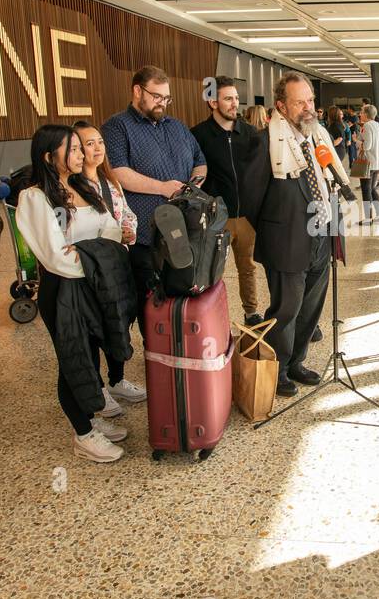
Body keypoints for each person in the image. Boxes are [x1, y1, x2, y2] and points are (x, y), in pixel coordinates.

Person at [17, 125, 134, 464]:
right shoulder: (35, 197)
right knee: (73, 357)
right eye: (72, 149)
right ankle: (83, 433)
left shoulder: (84, 186)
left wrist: (88, 250)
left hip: (95, 284)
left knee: (93, 353)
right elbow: (57, 257)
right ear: (48, 156)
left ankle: (91, 416)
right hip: (63, 290)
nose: (81, 154)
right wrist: (98, 254)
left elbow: (110, 230)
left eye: (80, 148)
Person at [242, 72, 342, 398]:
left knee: (311, 308)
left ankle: (297, 361)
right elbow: (251, 200)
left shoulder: (317, 138)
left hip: (321, 235)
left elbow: (329, 183)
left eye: (310, 100)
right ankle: (279, 369)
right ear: (281, 106)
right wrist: (278, 228)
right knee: (286, 310)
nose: (308, 107)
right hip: (286, 241)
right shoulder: (264, 142)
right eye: (300, 102)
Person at [101, 65, 207, 327]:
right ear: (138, 91)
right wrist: (162, 187)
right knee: (150, 305)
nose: (163, 103)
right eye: (157, 96)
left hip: (183, 232)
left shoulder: (177, 127)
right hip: (146, 237)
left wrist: (191, 188)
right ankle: (154, 349)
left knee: (181, 299)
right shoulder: (117, 127)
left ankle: (177, 347)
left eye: (167, 98)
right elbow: (118, 172)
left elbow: (200, 161)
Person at [74, 120, 147, 414]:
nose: (97, 148)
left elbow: (126, 213)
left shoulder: (110, 181)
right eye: (89, 144)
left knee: (118, 320)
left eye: (100, 142)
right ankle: (99, 390)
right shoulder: (72, 187)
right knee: (94, 328)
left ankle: (117, 380)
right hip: (93, 267)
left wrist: (129, 230)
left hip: (118, 262)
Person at [190, 76, 265, 326]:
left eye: (236, 98)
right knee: (211, 270)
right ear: (213, 102)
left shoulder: (250, 133)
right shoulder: (198, 135)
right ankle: (211, 318)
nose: (235, 104)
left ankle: (251, 313)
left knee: (248, 267)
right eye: (228, 99)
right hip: (216, 218)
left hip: (247, 217)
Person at [358, 103, 379, 224]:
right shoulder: (378, 125)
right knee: (372, 189)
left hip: (368, 164)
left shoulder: (367, 125)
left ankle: (368, 218)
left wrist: (357, 141)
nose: (360, 114)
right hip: (377, 163)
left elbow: (367, 146)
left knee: (366, 191)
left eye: (361, 112)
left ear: (366, 114)